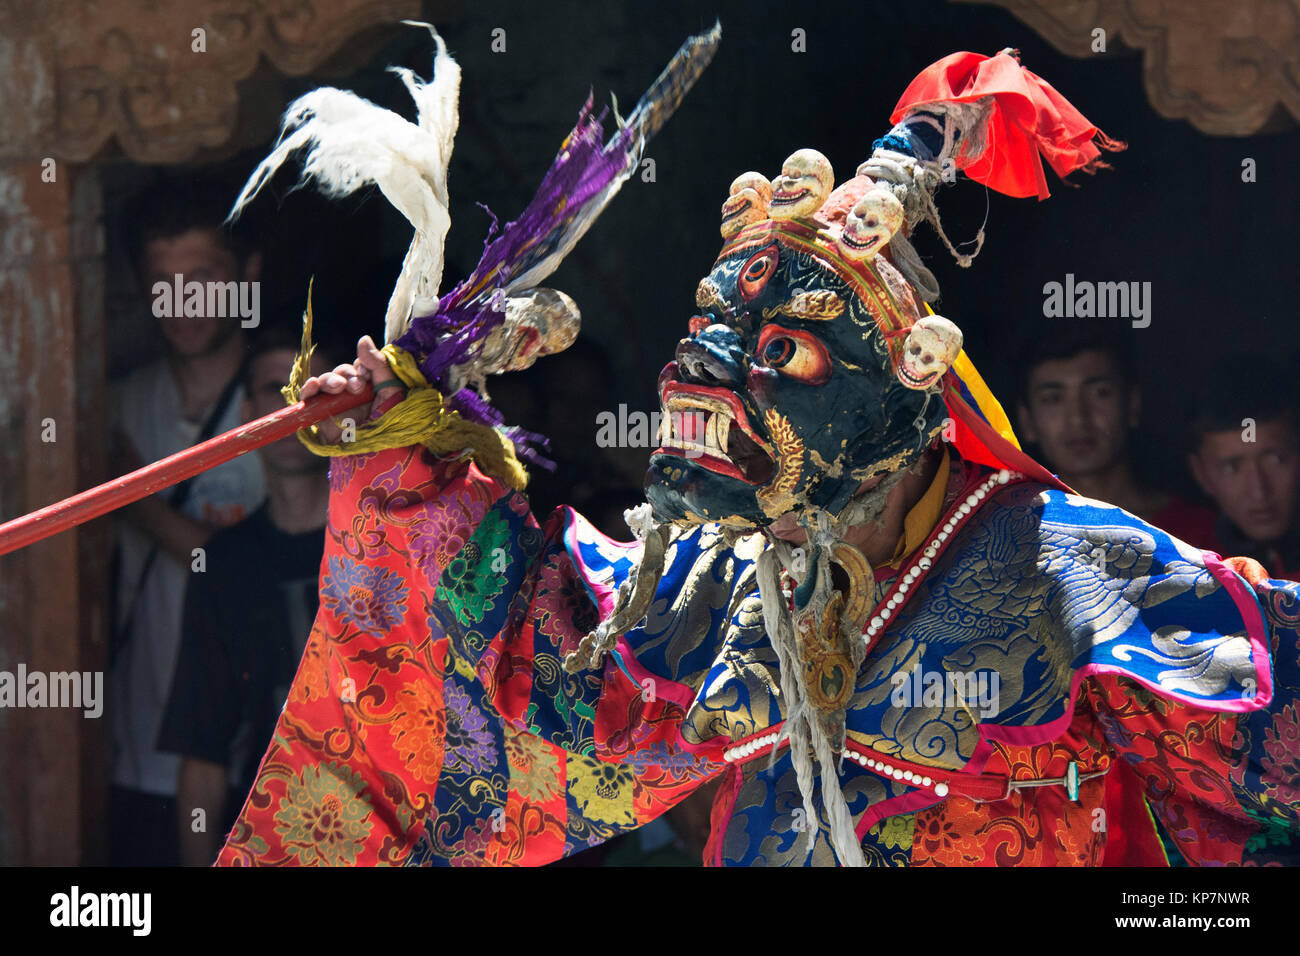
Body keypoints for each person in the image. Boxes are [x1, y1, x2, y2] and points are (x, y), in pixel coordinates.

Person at [215, 32, 1300, 867]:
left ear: (908, 388)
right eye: (708, 335)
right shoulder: (716, 583)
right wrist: (404, 437)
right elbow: (503, 656)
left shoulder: (1076, 574)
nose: (707, 373)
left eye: (780, 346)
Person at [108, 181, 268, 866]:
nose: (182, 304)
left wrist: (123, 493)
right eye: (162, 283)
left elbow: (256, 572)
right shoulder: (112, 407)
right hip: (134, 747)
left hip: (255, 755)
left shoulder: (289, 415)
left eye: (203, 279)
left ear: (249, 274)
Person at [157, 327, 336, 866]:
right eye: (269, 389)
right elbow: (203, 750)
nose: (290, 406)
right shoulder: (225, 567)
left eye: (309, 388)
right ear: (245, 416)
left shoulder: (385, 542)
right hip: (271, 843)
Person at [1014, 328, 1215, 545]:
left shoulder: (1200, 532)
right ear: (1027, 421)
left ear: (1133, 405)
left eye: (1100, 393)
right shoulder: (1013, 537)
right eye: (1053, 398)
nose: (1078, 419)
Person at [1187, 354, 1300, 578]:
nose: (1259, 491)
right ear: (1201, 473)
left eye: (1276, 460)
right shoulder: (1179, 565)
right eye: (1232, 468)